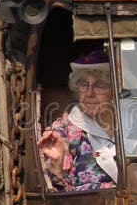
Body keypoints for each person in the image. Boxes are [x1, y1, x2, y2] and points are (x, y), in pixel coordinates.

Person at [39, 49, 118, 191]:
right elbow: (58, 196)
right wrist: (56, 165)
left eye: (99, 85)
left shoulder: (135, 124)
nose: (89, 93)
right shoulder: (62, 131)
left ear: (115, 90)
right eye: (84, 85)